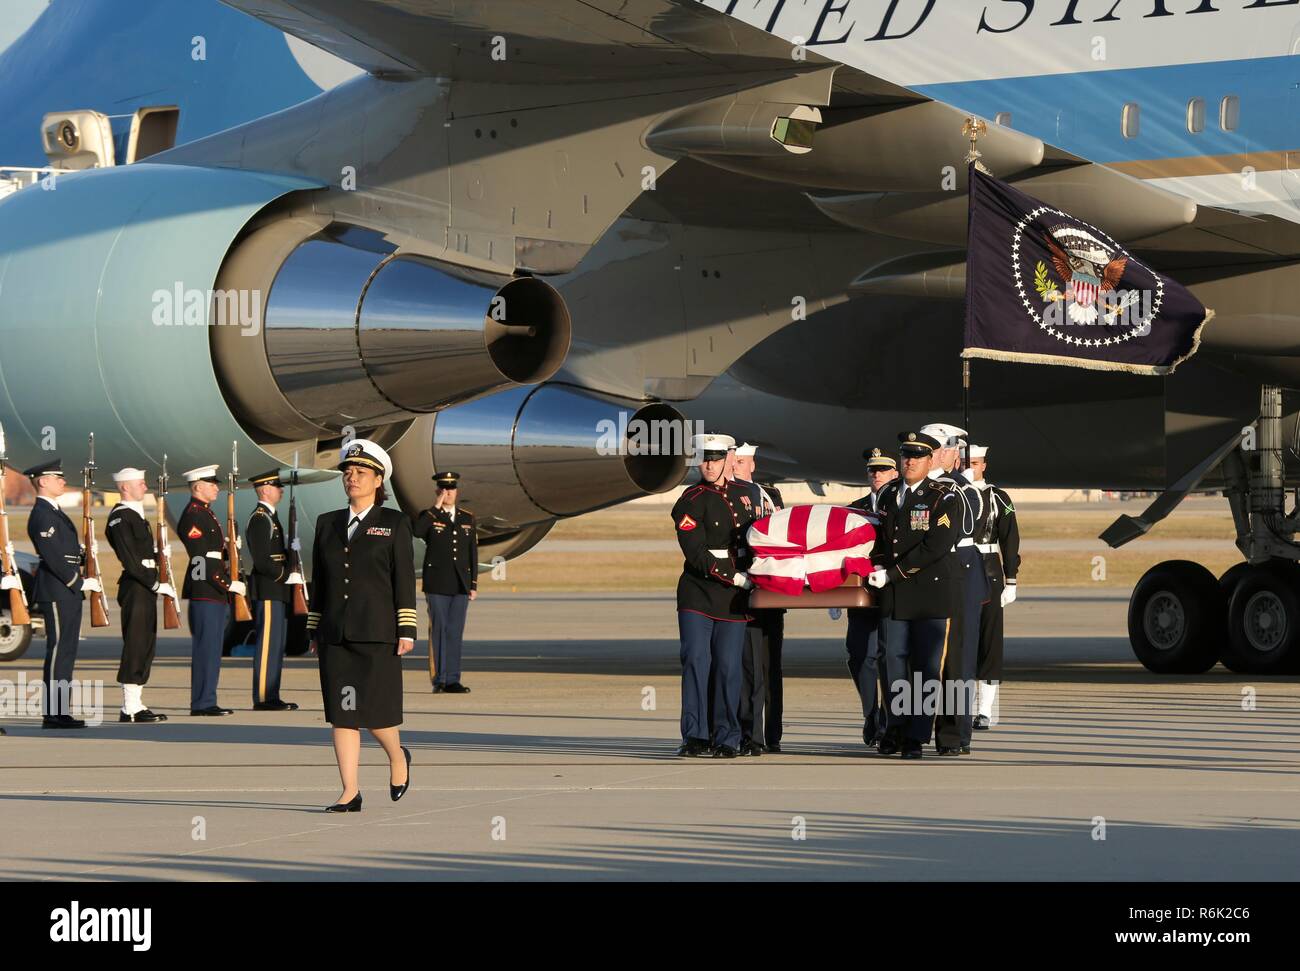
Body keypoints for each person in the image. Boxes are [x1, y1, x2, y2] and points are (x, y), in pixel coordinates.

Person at [307, 439, 416, 812]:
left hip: (378, 633)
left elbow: (403, 579)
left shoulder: (394, 523)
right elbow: (318, 582)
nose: (352, 478)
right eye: (348, 473)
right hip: (336, 634)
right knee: (343, 713)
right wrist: (314, 628)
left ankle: (397, 756)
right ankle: (349, 791)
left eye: (361, 473)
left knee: (376, 713)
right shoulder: (327, 524)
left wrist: (407, 628)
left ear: (378, 479)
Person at [867, 432, 958, 760]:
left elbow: (936, 545)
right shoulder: (889, 494)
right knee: (892, 664)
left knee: (925, 668)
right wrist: (877, 566)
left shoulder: (943, 497)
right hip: (894, 595)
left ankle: (916, 736)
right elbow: (879, 538)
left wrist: (891, 573)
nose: (909, 462)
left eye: (917, 457)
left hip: (927, 593)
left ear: (929, 461)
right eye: (906, 456)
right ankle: (895, 727)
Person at [672, 433, 752, 759]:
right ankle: (695, 735)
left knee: (728, 667)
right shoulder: (690, 500)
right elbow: (696, 553)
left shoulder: (745, 496)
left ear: (727, 460)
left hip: (734, 597)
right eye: (704, 458)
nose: (708, 464)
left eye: (715, 458)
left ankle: (727, 737)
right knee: (695, 660)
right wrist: (733, 576)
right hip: (699, 593)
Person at [920, 422, 988, 756]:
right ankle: (915, 729)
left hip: (956, 575)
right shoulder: (918, 488)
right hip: (925, 576)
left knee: (956, 660)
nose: (930, 456)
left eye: (935, 450)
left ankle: (953, 734)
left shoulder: (960, 489)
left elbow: (965, 527)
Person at [24, 458, 94, 729]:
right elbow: (52, 556)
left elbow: (64, 550)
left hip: (67, 589)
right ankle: (53, 712)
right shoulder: (42, 513)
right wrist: (77, 581)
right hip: (58, 588)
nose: (63, 481)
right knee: (58, 649)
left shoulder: (54, 511)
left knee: (67, 649)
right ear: (43, 481)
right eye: (58, 478)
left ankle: (61, 710)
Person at [105, 467, 175, 722]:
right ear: (125, 487)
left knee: (146, 644)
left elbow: (141, 554)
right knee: (136, 643)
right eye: (141, 483)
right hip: (137, 585)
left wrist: (159, 558)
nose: (145, 488)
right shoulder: (121, 518)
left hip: (145, 583)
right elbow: (131, 560)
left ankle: (136, 703)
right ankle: (129, 707)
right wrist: (155, 583)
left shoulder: (135, 515)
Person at [732, 443, 784, 755]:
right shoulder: (726, 496)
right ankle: (751, 733)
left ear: (752, 464)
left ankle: (772, 732)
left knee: (771, 665)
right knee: (748, 667)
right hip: (741, 588)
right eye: (732, 461)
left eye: (741, 461)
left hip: (771, 590)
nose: (735, 466)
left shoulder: (769, 495)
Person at [178, 465, 242, 716]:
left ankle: (207, 699)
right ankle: (203, 703)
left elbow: (213, 553)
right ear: (197, 487)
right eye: (211, 483)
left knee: (213, 649)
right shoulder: (195, 515)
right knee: (206, 649)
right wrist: (226, 583)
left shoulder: (205, 513)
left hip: (212, 590)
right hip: (206, 588)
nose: (216, 487)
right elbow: (200, 559)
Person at [845, 448, 898, 747]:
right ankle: (870, 714)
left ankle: (890, 721)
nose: (876, 475)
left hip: (893, 589)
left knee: (891, 657)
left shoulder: (903, 504)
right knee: (859, 654)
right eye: (871, 470)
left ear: (894, 473)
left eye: (882, 470)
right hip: (862, 592)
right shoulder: (854, 509)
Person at [968, 445, 1021, 729]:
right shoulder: (953, 493)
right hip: (959, 567)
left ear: (984, 465)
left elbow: (1010, 539)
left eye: (975, 463)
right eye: (966, 462)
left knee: (989, 639)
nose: (970, 467)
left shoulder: (998, 497)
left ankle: (985, 709)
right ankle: (956, 705)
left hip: (988, 568)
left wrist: (1010, 578)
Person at [416, 471, 477, 694]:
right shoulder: (430, 516)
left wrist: (473, 585)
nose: (448, 493)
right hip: (437, 583)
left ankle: (453, 679)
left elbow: (472, 552)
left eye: (451, 489)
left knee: (455, 631)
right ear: (438, 491)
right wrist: (436, 507)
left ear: (456, 491)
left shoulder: (466, 517)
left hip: (460, 584)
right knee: (439, 630)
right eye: (443, 489)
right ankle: (439, 679)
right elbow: (417, 531)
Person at [245, 469, 301, 711]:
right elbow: (261, 560)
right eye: (277, 486)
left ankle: (272, 693)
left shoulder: (271, 517)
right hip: (269, 588)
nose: (281, 490)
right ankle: (264, 696)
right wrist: (285, 575)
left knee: (277, 644)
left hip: (276, 589)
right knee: (268, 644)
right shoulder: (260, 518)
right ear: (265, 489)